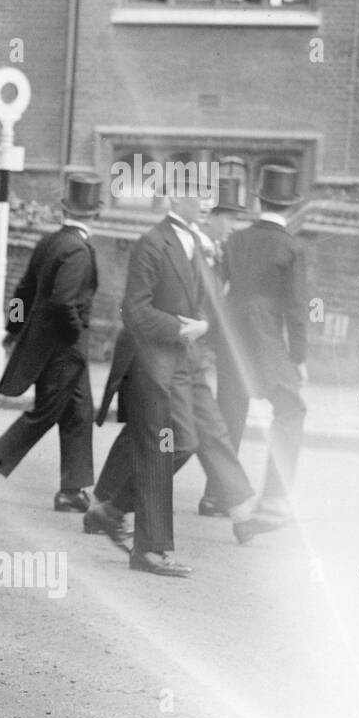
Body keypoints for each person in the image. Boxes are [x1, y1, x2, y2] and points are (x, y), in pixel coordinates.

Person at [84, 178, 275, 576]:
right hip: (152, 360)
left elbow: (205, 305)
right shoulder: (153, 243)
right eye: (197, 194)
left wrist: (202, 326)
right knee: (165, 445)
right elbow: (134, 311)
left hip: (183, 360)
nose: (206, 202)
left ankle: (113, 509)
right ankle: (148, 548)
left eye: (209, 194)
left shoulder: (194, 244)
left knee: (185, 442)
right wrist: (180, 329)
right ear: (174, 196)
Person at [0, 173, 101, 511]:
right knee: (44, 415)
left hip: (48, 347)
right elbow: (63, 302)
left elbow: (23, 291)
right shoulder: (78, 250)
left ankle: (72, 491)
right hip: (64, 350)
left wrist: (14, 328)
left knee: (79, 412)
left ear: (64, 208)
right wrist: (76, 334)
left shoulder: (49, 243)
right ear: (96, 214)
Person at [216, 165, 309, 526]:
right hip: (266, 336)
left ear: (259, 201)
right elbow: (297, 309)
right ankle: (273, 499)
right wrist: (298, 357)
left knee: (229, 409)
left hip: (232, 334)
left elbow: (219, 288)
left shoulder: (235, 240)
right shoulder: (292, 246)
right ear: (291, 206)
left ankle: (217, 495)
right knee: (291, 409)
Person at [196, 169, 249, 517]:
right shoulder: (195, 246)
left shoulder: (222, 249)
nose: (232, 226)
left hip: (214, 343)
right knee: (180, 425)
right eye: (228, 217)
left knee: (225, 415)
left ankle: (217, 494)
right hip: (188, 342)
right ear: (210, 215)